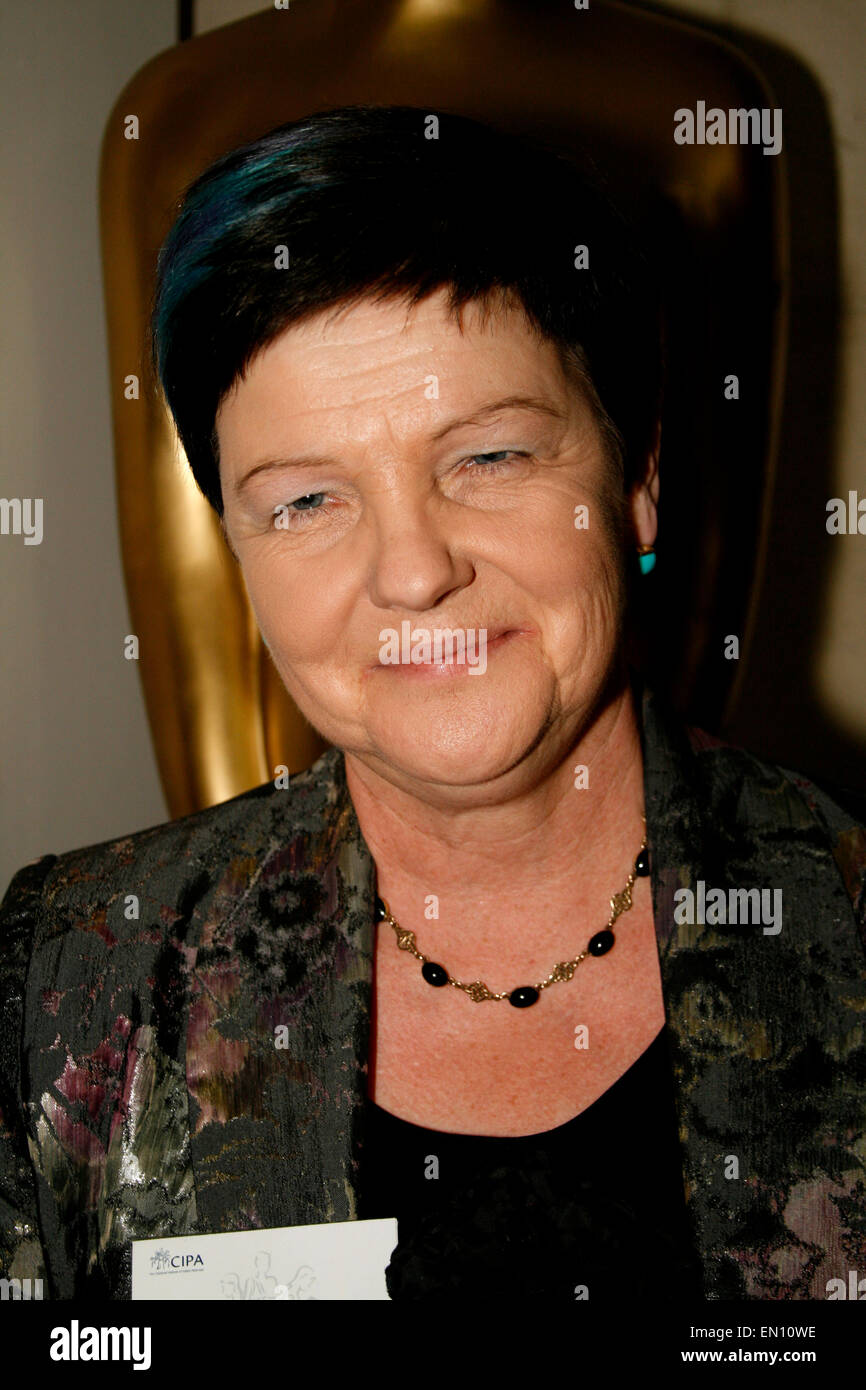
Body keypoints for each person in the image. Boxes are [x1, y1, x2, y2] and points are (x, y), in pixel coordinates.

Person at [0, 105, 863, 1302]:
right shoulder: (68, 980)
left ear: (638, 479)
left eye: (490, 457)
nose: (411, 569)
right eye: (304, 500)